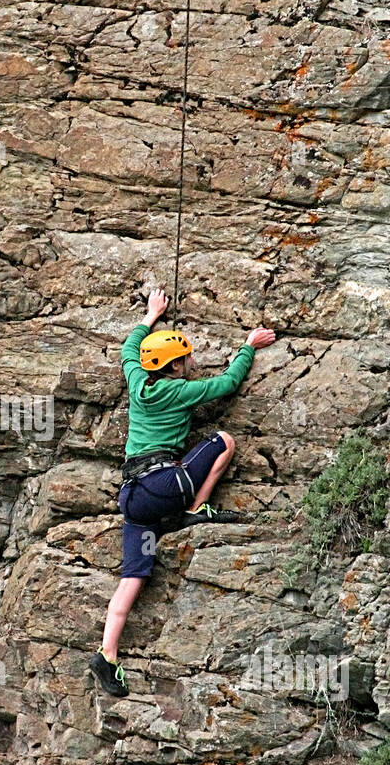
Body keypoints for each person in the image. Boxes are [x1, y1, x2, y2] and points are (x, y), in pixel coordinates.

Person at [90, 288, 277, 697]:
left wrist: (150, 315)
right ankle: (197, 508)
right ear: (174, 366)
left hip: (134, 499)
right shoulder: (179, 390)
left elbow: (128, 350)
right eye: (186, 358)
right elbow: (227, 383)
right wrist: (247, 346)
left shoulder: (138, 380)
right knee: (224, 440)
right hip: (164, 486)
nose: (191, 362)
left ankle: (107, 655)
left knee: (134, 574)